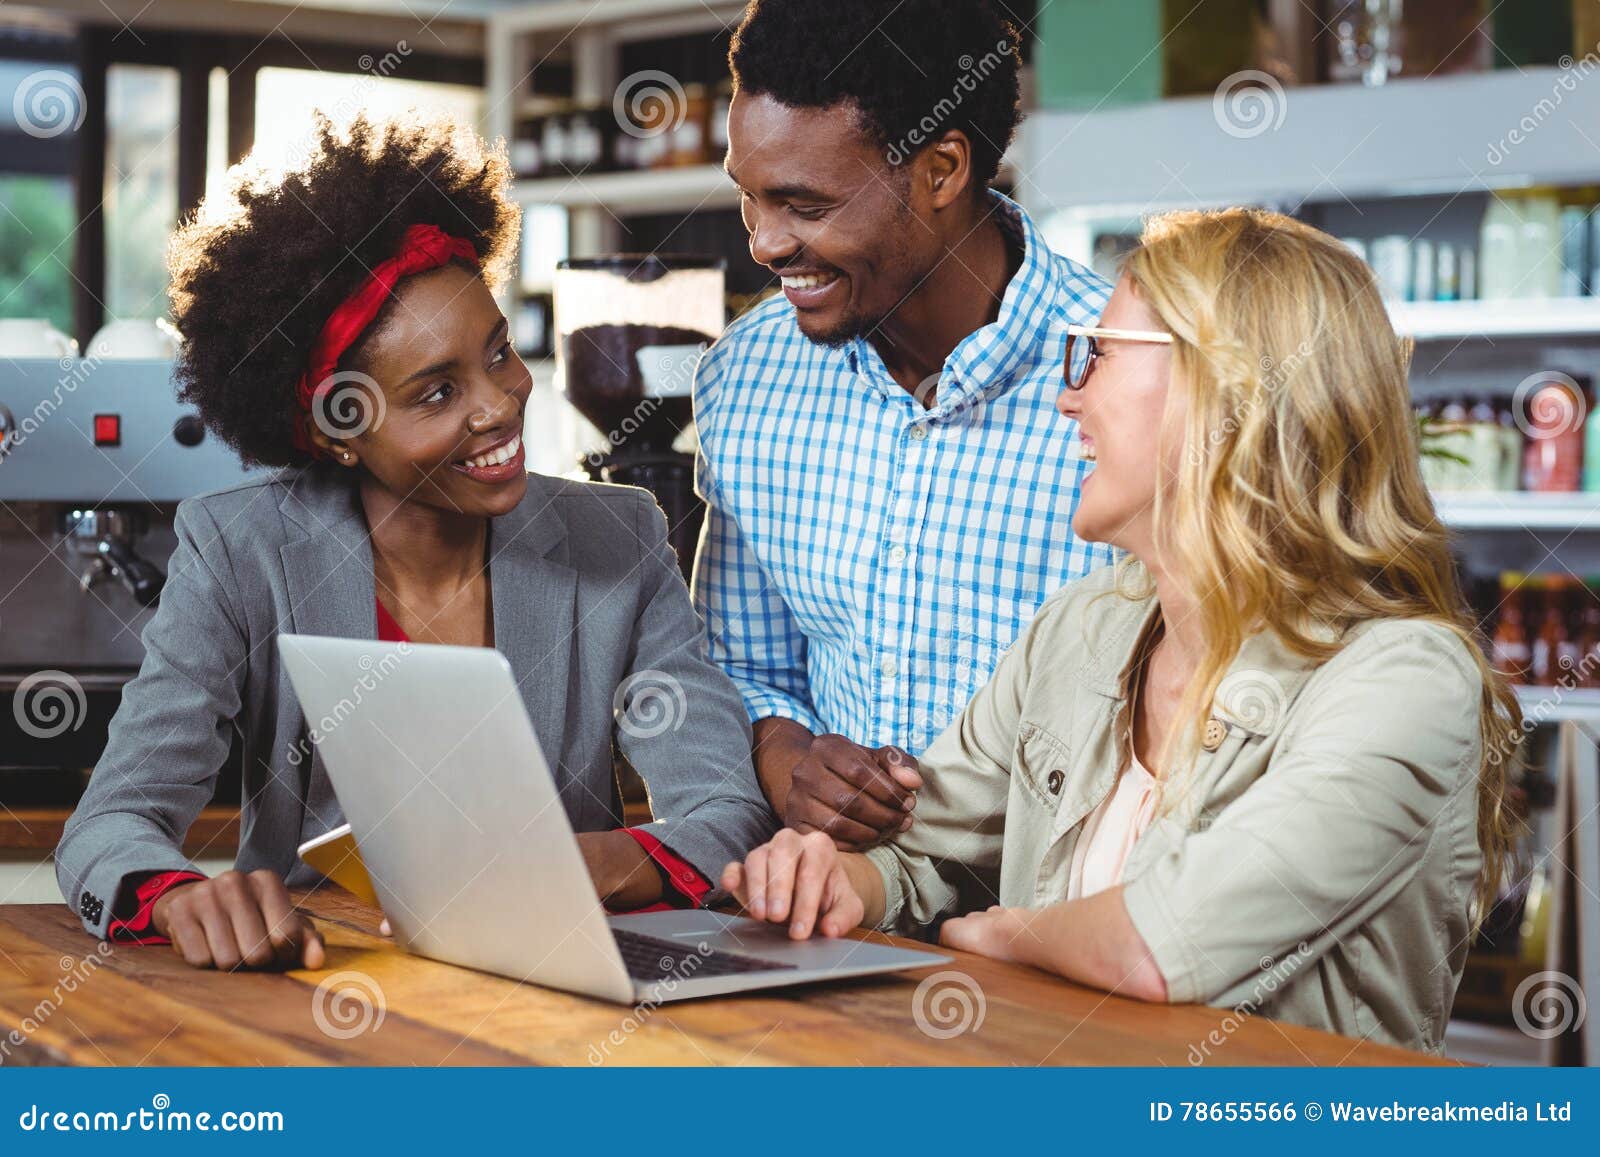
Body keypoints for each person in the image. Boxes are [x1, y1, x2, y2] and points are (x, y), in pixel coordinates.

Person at [721, 208, 1523, 1053]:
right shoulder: (1085, 626)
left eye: (1098, 353)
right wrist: (835, 878)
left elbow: (1165, 943)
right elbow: (920, 854)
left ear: (1224, 389)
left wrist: (1006, 935)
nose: (1068, 395)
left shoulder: (1405, 677)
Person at [56, 115, 775, 971]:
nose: (500, 405)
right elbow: (110, 824)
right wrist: (174, 894)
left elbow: (727, 807)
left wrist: (594, 863)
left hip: (552, 988)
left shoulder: (616, 538)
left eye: (498, 352)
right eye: (436, 393)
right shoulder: (238, 549)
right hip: (316, 983)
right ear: (338, 431)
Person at [693, 0, 1114, 849]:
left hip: (1058, 930)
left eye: (804, 205)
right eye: (749, 198)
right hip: (831, 912)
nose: (765, 244)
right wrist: (792, 761)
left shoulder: (1127, 378)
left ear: (943, 168)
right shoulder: (746, 379)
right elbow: (746, 668)